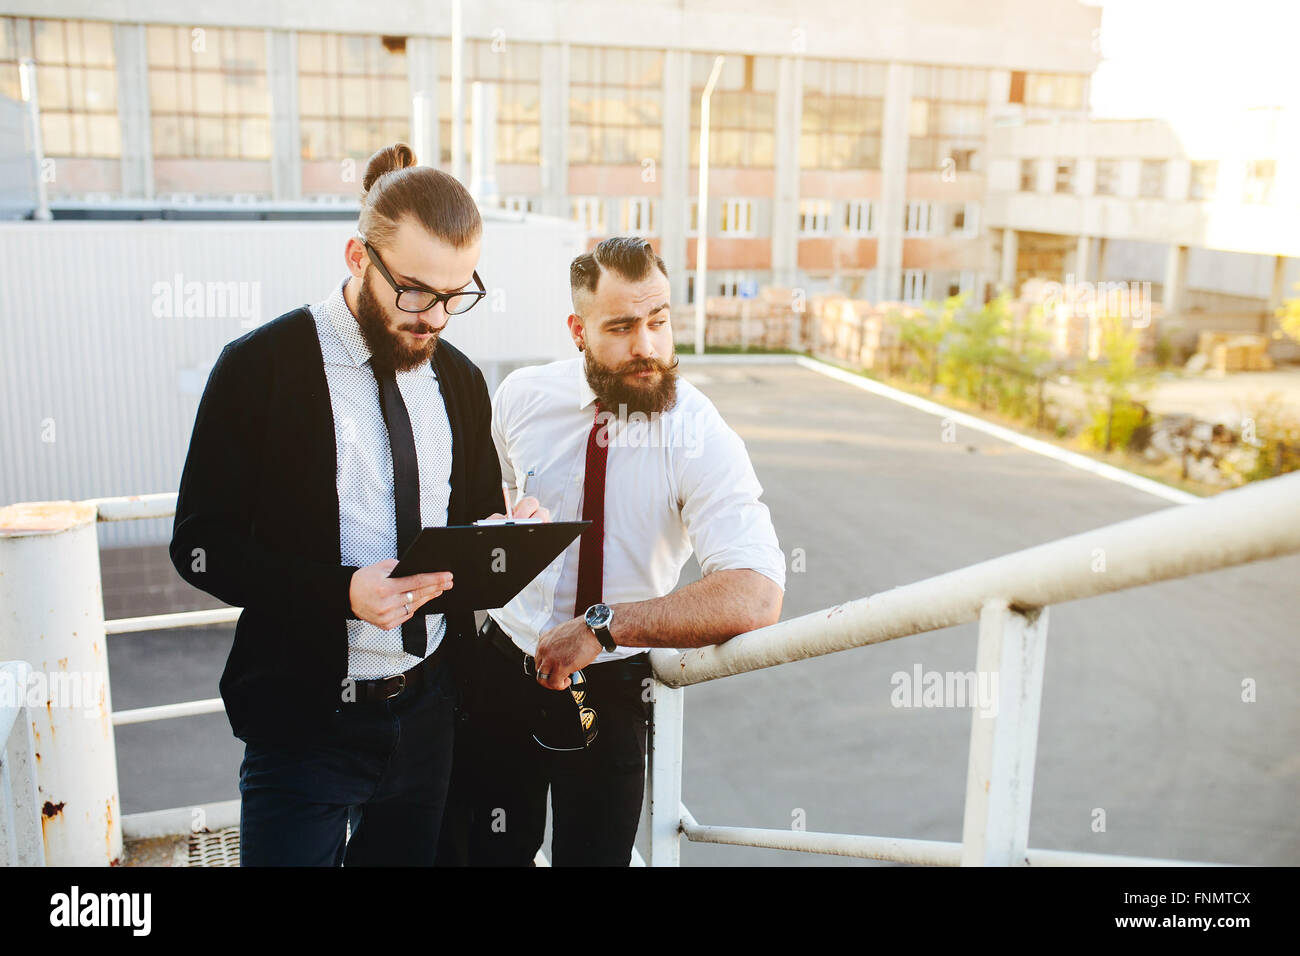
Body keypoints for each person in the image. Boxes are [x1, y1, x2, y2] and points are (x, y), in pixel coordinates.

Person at [170, 143, 542, 866]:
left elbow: (462, 527)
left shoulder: (460, 382)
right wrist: (341, 592)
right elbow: (199, 544)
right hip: (305, 723)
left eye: (455, 294)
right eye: (414, 290)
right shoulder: (259, 367)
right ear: (355, 256)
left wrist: (501, 541)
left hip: (429, 713)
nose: (433, 317)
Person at [440, 236, 785, 866]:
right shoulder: (521, 398)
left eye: (658, 321)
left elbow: (756, 591)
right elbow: (500, 498)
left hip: (611, 686)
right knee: (482, 853)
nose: (647, 347)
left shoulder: (700, 435)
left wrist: (603, 628)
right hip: (501, 670)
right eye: (622, 327)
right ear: (577, 330)